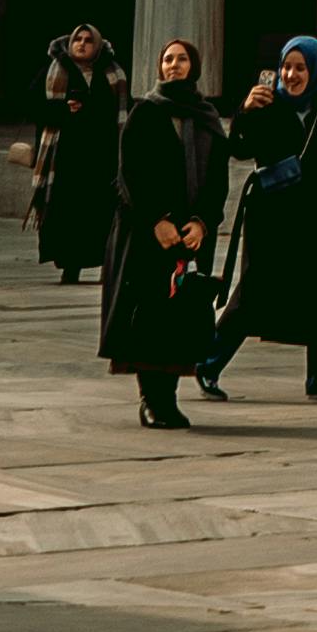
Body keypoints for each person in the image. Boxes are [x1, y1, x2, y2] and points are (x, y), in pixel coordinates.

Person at [210, 33, 317, 401]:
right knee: (253, 291)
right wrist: (244, 112)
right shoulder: (268, 105)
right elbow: (238, 149)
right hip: (273, 213)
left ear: (315, 70)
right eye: (287, 66)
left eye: (300, 68)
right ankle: (209, 362)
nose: (291, 74)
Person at [104, 33, 228, 429]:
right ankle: (151, 400)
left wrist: (202, 223)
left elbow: (218, 181)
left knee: (179, 319)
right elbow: (129, 174)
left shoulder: (207, 118)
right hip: (146, 233)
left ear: (194, 67)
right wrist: (156, 219)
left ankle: (169, 396)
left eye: (181, 60)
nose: (173, 66)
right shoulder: (146, 112)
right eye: (168, 60)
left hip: (191, 235)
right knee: (149, 318)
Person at [25, 22, 122, 295]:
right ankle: (70, 266)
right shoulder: (55, 70)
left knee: (101, 213)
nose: (81, 44)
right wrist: (62, 109)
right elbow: (32, 105)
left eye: (88, 40)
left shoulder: (113, 74)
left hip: (100, 157)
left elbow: (119, 113)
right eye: (77, 39)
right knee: (68, 212)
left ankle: (107, 265)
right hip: (66, 157)